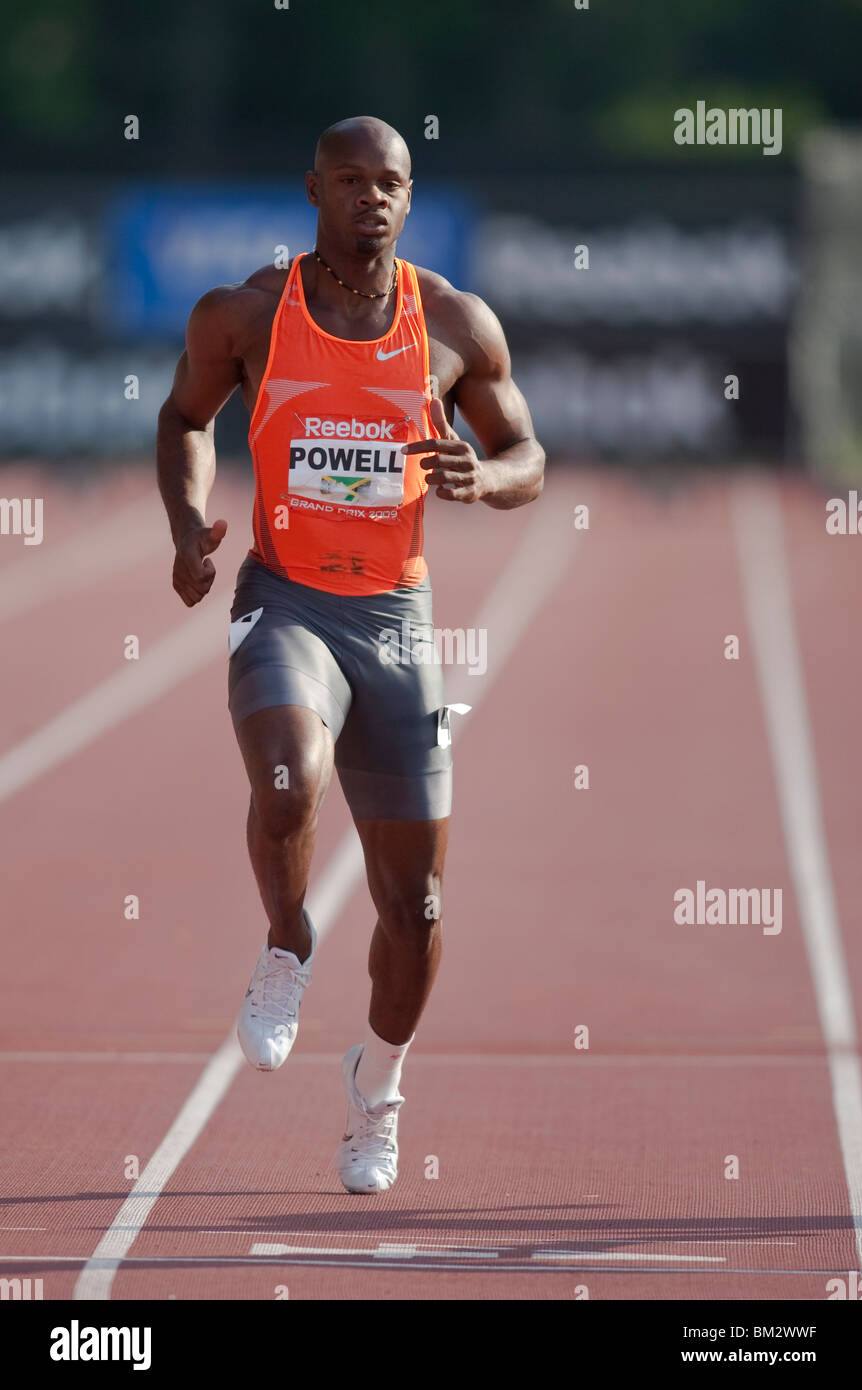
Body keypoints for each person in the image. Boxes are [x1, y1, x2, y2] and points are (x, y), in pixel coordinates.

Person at [156, 115, 544, 1193]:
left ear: (408, 200)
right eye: (352, 180)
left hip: (395, 621)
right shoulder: (249, 314)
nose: (373, 198)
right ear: (314, 191)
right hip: (284, 597)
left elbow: (527, 454)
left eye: (393, 182)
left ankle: (376, 1086)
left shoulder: (453, 322)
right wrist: (189, 528)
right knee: (288, 773)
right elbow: (183, 419)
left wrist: (484, 480)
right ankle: (286, 946)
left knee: (415, 909)